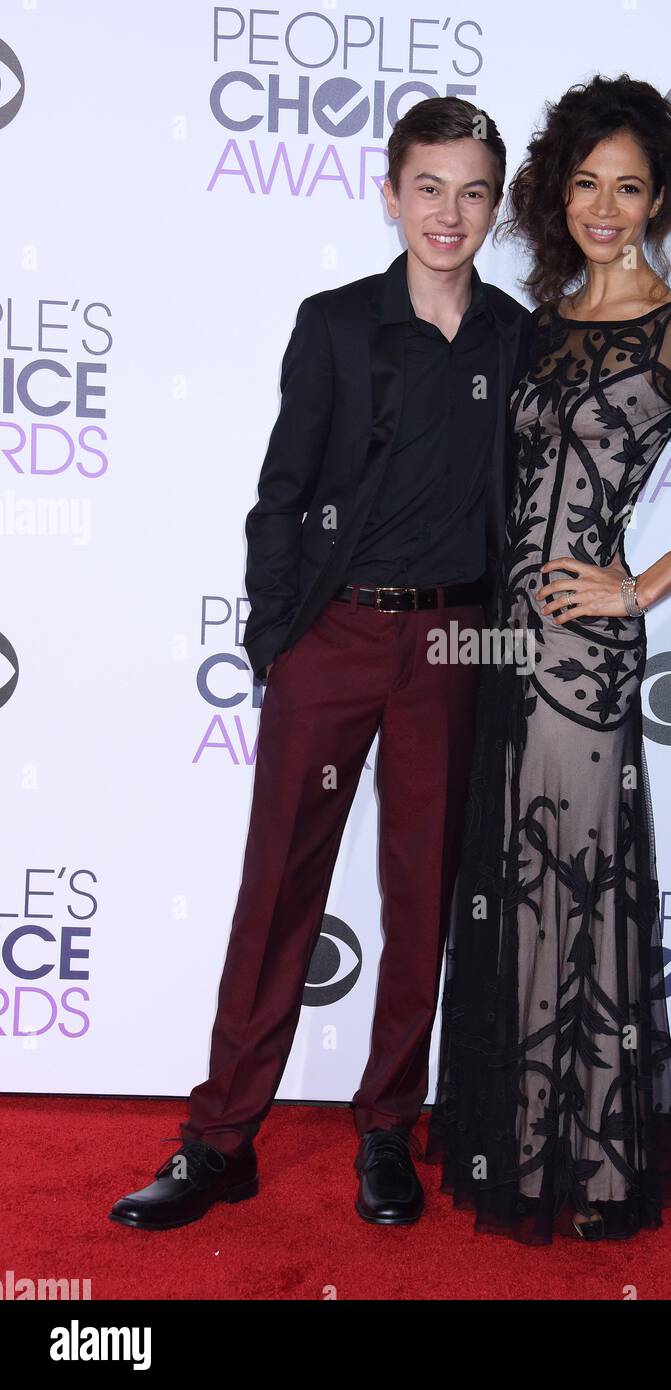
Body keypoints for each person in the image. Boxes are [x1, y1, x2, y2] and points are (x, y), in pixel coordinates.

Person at [109, 96, 531, 1231]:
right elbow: (280, 494)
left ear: (496, 206)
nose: (449, 212)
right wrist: (274, 637)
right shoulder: (336, 323)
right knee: (278, 888)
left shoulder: (512, 337)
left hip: (454, 644)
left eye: (473, 190)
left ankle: (388, 1129)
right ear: (391, 193)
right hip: (334, 639)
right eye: (429, 187)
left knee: (423, 897)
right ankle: (218, 1142)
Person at [426, 74, 671, 1243]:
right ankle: (517, 1145)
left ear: (661, 199)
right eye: (587, 182)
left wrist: (638, 584)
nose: (604, 205)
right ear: (559, 190)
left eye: (629, 187)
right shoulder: (540, 322)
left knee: (577, 896)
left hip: (585, 659)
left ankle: (586, 1167)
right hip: (501, 647)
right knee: (513, 896)